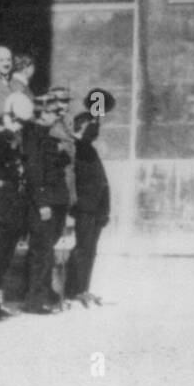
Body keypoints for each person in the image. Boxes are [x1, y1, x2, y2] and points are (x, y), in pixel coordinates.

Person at [0, 92, 34, 319]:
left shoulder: (13, 144)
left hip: (9, 212)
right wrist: (6, 132)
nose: (19, 127)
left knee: (2, 259)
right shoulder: (1, 142)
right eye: (17, 121)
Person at [23, 93, 72, 313]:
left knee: (47, 250)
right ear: (42, 113)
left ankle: (45, 294)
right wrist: (42, 203)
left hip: (57, 200)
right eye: (53, 111)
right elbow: (35, 173)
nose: (57, 115)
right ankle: (34, 300)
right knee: (41, 252)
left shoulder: (50, 136)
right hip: (45, 203)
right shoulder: (34, 137)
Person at [65, 90, 113, 306]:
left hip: (95, 208)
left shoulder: (87, 149)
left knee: (89, 250)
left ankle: (82, 289)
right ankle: (75, 290)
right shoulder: (77, 148)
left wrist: (96, 112)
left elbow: (101, 182)